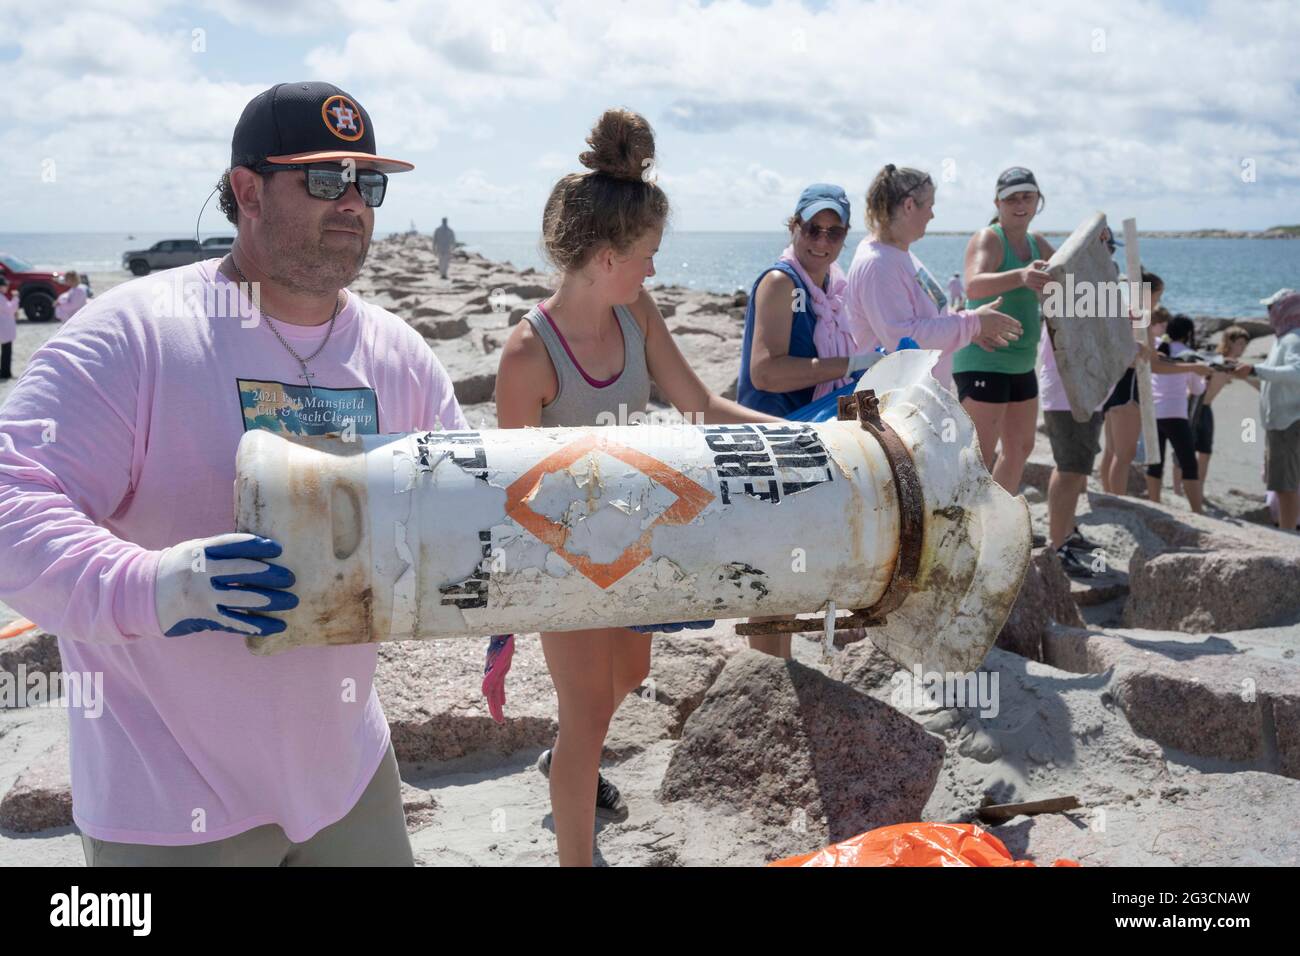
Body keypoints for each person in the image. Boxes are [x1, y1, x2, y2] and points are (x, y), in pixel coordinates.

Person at [0, 81, 463, 866]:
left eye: (367, 183)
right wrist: (154, 584)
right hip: (166, 795)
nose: (351, 202)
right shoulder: (135, 336)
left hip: (346, 776)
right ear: (247, 191)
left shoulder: (397, 353)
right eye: (323, 180)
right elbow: (14, 495)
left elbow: (461, 504)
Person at [494, 108, 781, 866]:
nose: (655, 269)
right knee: (586, 707)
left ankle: (564, 767)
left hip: (636, 541)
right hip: (565, 558)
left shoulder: (636, 310)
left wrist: (792, 440)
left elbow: (702, 405)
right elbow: (512, 493)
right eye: (649, 254)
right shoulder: (528, 353)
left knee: (631, 675)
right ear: (608, 255)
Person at [846, 164, 1020, 392]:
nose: (932, 214)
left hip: (916, 401)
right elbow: (904, 341)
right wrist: (972, 323)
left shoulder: (900, 253)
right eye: (929, 206)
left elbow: (930, 317)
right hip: (892, 406)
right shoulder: (877, 264)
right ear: (909, 205)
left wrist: (972, 331)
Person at [955, 166, 1054, 493]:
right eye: (1012, 198)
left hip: (1022, 362)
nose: (1020, 204)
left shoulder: (1037, 243)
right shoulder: (989, 238)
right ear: (998, 202)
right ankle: (967, 532)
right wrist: (1021, 277)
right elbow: (972, 285)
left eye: (1028, 196)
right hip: (985, 359)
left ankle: (997, 524)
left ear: (1039, 200)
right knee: (979, 456)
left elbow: (1073, 279)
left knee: (1020, 449)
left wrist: (1120, 302)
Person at [1037, 323, 1105, 577]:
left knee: (1076, 471)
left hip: (1087, 396)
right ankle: (1057, 548)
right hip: (1068, 396)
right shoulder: (1067, 295)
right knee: (1068, 469)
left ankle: (1066, 533)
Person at [1231, 289, 1300, 533]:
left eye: (1272, 308)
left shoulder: (1293, 338)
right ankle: (1288, 531)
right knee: (1282, 484)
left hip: (1288, 423)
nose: (1268, 314)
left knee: (1286, 485)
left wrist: (1255, 370)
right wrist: (1250, 373)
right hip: (1281, 422)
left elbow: (1296, 372)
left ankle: (1288, 535)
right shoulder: (1283, 338)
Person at [1099, 272, 1164, 495]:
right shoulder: (1140, 318)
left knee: (1110, 450)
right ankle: (1118, 500)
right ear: (1148, 293)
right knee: (1124, 454)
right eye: (1158, 295)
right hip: (1128, 388)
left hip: (1111, 386)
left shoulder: (1122, 314)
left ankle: (1108, 496)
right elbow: (1144, 360)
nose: (1158, 301)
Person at [1173, 325, 1251, 493]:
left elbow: (1248, 377)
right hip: (1193, 405)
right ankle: (1177, 490)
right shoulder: (1215, 360)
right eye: (1239, 343)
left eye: (1245, 344)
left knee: (1205, 452)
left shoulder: (1233, 365)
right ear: (1229, 342)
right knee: (1185, 450)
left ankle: (1198, 489)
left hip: (1207, 409)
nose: (1243, 348)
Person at [1145, 314, 1212, 511]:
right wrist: (1205, 381)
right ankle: (1196, 510)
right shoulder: (1189, 355)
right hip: (1175, 413)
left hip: (1154, 411)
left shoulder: (1159, 350)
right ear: (1188, 334)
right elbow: (1197, 390)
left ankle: (1154, 504)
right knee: (1189, 464)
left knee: (1155, 463)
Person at [0, 275, 15, 379]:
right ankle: (5, 373)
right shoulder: (1, 297)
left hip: (3, 327)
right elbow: (10, 309)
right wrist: (16, 298)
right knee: (6, 351)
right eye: (5, 285)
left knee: (5, 350)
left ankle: (4, 371)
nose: (7, 287)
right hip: (4, 328)